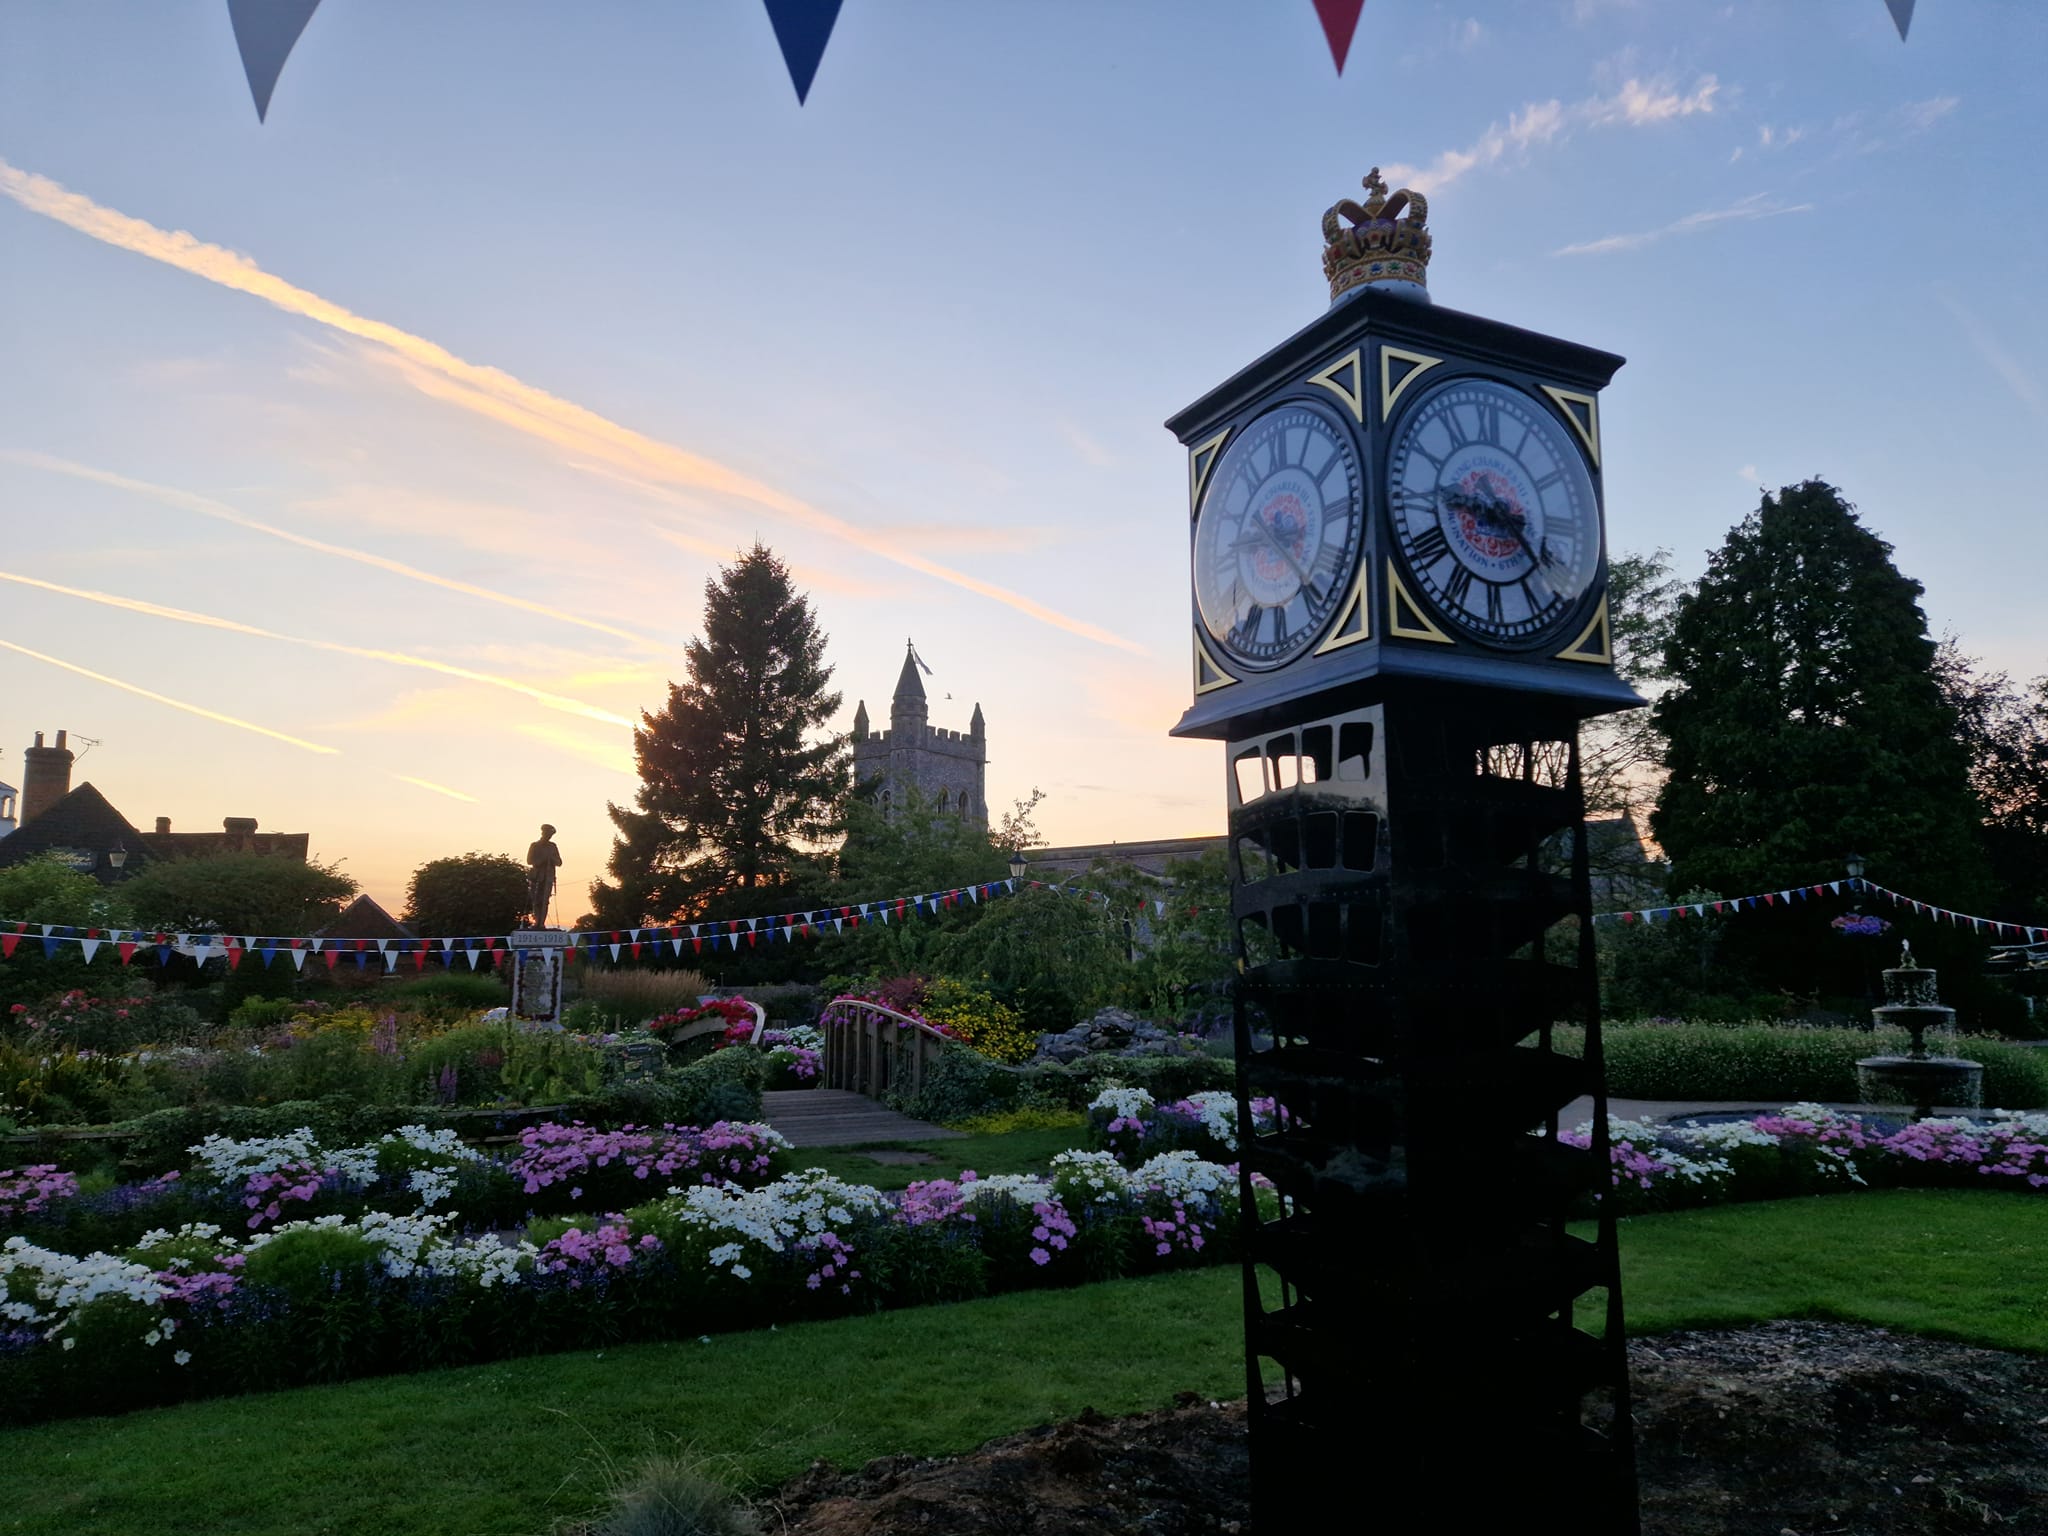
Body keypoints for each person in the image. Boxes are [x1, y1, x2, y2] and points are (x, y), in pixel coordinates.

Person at [525, 824, 561, 928]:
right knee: (536, 900)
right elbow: (529, 860)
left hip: (548, 878)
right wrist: (543, 860)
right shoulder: (535, 845)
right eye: (548, 834)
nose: (549, 837)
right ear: (543, 833)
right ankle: (537, 922)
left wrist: (552, 859)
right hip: (536, 877)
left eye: (550, 835)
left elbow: (559, 862)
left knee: (545, 901)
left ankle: (541, 923)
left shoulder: (552, 846)